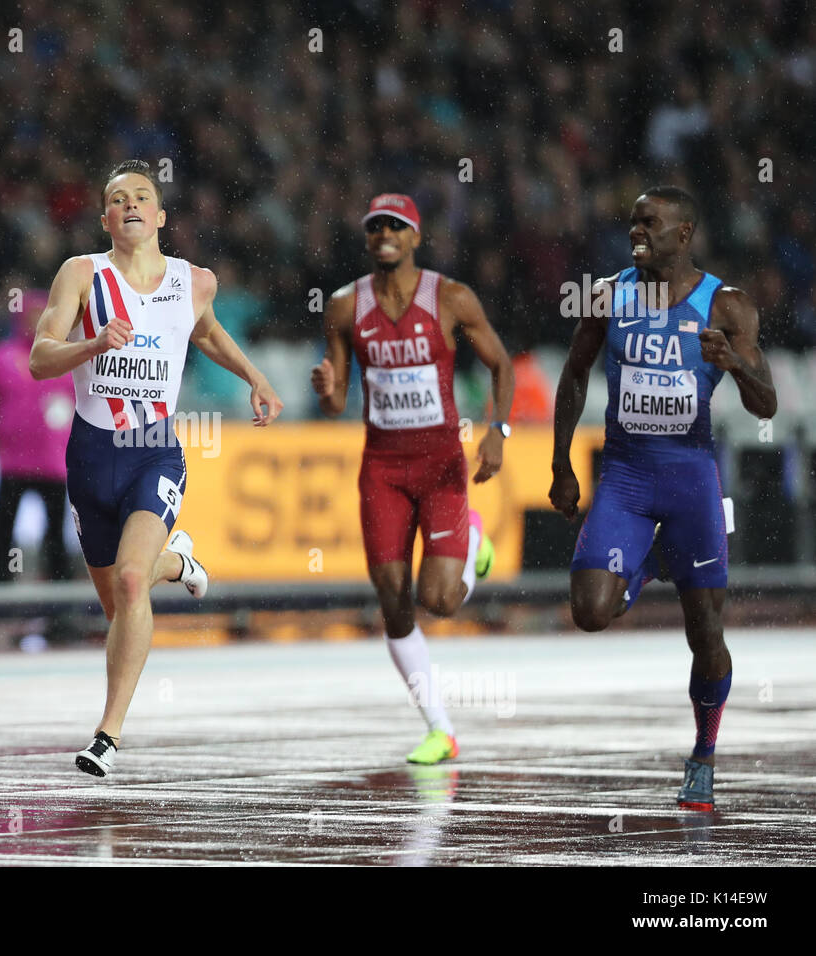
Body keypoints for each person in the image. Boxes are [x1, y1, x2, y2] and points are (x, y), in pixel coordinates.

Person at [30, 160, 284, 776]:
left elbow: (207, 335)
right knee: (120, 606)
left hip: (155, 451)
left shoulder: (194, 282)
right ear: (106, 219)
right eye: (118, 199)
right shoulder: (81, 274)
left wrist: (255, 377)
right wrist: (93, 344)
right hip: (90, 458)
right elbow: (39, 359)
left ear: (162, 216)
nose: (131, 205)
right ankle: (182, 561)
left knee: (129, 582)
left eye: (143, 196)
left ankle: (106, 737)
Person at [550, 186, 776, 811]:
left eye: (649, 224)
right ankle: (650, 562)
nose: (635, 234)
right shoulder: (609, 294)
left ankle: (703, 755)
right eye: (632, 224)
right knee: (591, 611)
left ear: (684, 233)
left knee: (705, 634)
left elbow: (767, 404)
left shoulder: (726, 304)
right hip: (624, 475)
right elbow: (573, 375)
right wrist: (561, 464)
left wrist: (732, 362)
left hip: (690, 481)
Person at [312, 193, 515, 764]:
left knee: (441, 600)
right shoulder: (345, 306)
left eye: (396, 226)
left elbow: (500, 364)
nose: (384, 234)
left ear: (416, 237)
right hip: (382, 469)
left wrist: (498, 431)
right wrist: (327, 389)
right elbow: (334, 403)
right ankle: (439, 728)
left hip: (441, 464)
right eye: (375, 226)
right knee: (395, 602)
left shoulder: (450, 298)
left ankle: (473, 539)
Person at [0, 289, 74, 582]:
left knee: (55, 534)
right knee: (4, 532)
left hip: (53, 465)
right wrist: (5, 435)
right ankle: (1, 595)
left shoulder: (66, 359)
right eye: (32, 315)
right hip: (13, 462)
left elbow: (81, 407)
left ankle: (61, 602)